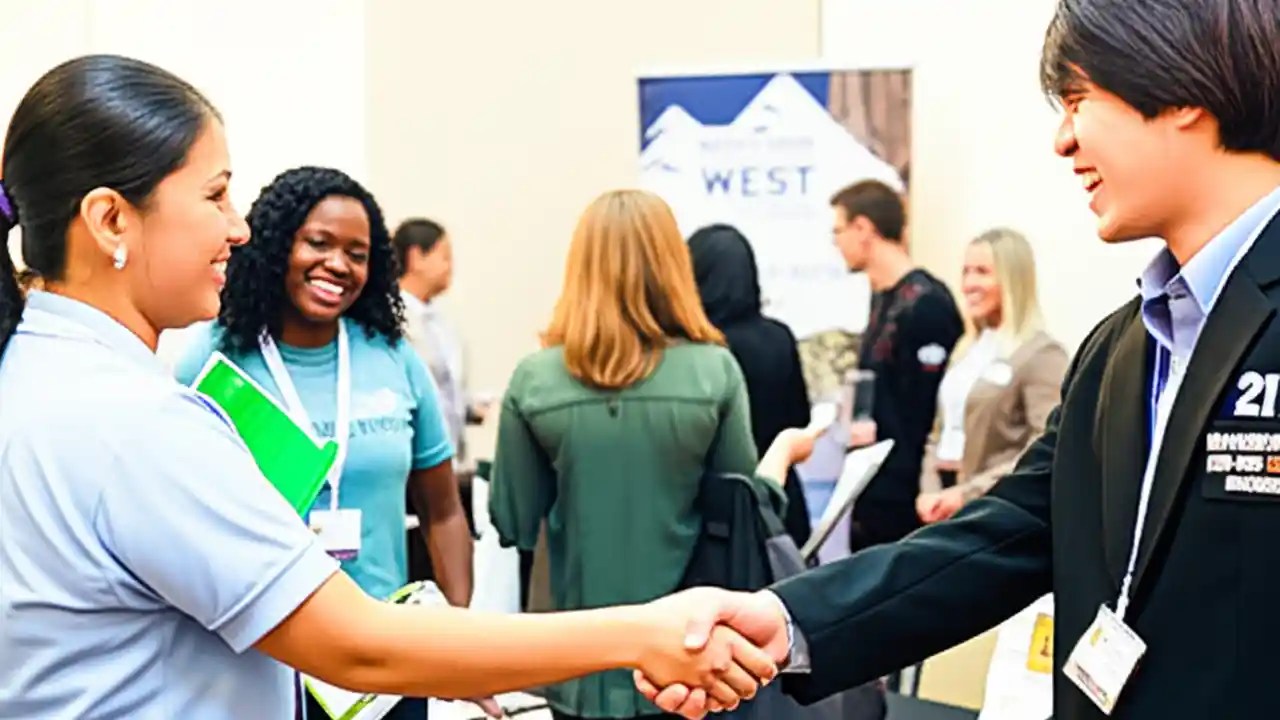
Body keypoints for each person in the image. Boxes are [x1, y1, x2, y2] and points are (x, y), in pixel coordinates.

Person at [0, 54, 776, 720]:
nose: (236, 228)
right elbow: (359, 647)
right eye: (214, 196)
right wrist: (643, 633)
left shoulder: (36, 375)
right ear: (109, 220)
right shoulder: (136, 422)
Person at [636, 1, 1280, 718]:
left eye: (1077, 101)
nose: (1062, 142)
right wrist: (789, 621)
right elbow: (1007, 533)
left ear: (1184, 91)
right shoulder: (1120, 348)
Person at [172, 166, 475, 719]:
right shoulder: (210, 360)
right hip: (258, 656)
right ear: (277, 244)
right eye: (318, 243)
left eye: (357, 254)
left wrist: (458, 633)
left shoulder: (394, 358)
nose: (338, 264)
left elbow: (444, 512)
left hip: (389, 657)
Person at [489, 190, 773, 720]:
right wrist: (781, 463)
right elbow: (740, 505)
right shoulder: (715, 371)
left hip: (573, 661)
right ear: (673, 264)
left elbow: (514, 522)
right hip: (685, 658)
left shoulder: (534, 379)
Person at [829, 179, 964, 550]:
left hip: (908, 503)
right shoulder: (883, 300)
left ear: (863, 229)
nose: (835, 242)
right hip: (873, 487)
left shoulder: (926, 304)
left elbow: (927, 412)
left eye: (838, 230)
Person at [916, 228, 1068, 523]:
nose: (969, 283)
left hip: (996, 509)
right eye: (966, 272)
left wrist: (968, 494)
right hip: (944, 504)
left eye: (982, 272)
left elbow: (1046, 446)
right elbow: (937, 433)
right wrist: (929, 490)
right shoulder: (965, 350)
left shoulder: (1041, 354)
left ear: (1013, 279)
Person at [688, 223, 813, 547]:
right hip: (783, 499)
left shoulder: (695, 350)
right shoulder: (778, 337)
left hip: (716, 512)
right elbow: (798, 419)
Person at [394, 218, 488, 466]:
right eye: (444, 256)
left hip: (451, 459)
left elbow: (448, 389)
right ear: (416, 258)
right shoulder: (391, 322)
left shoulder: (442, 324)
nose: (450, 267)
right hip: (412, 463)